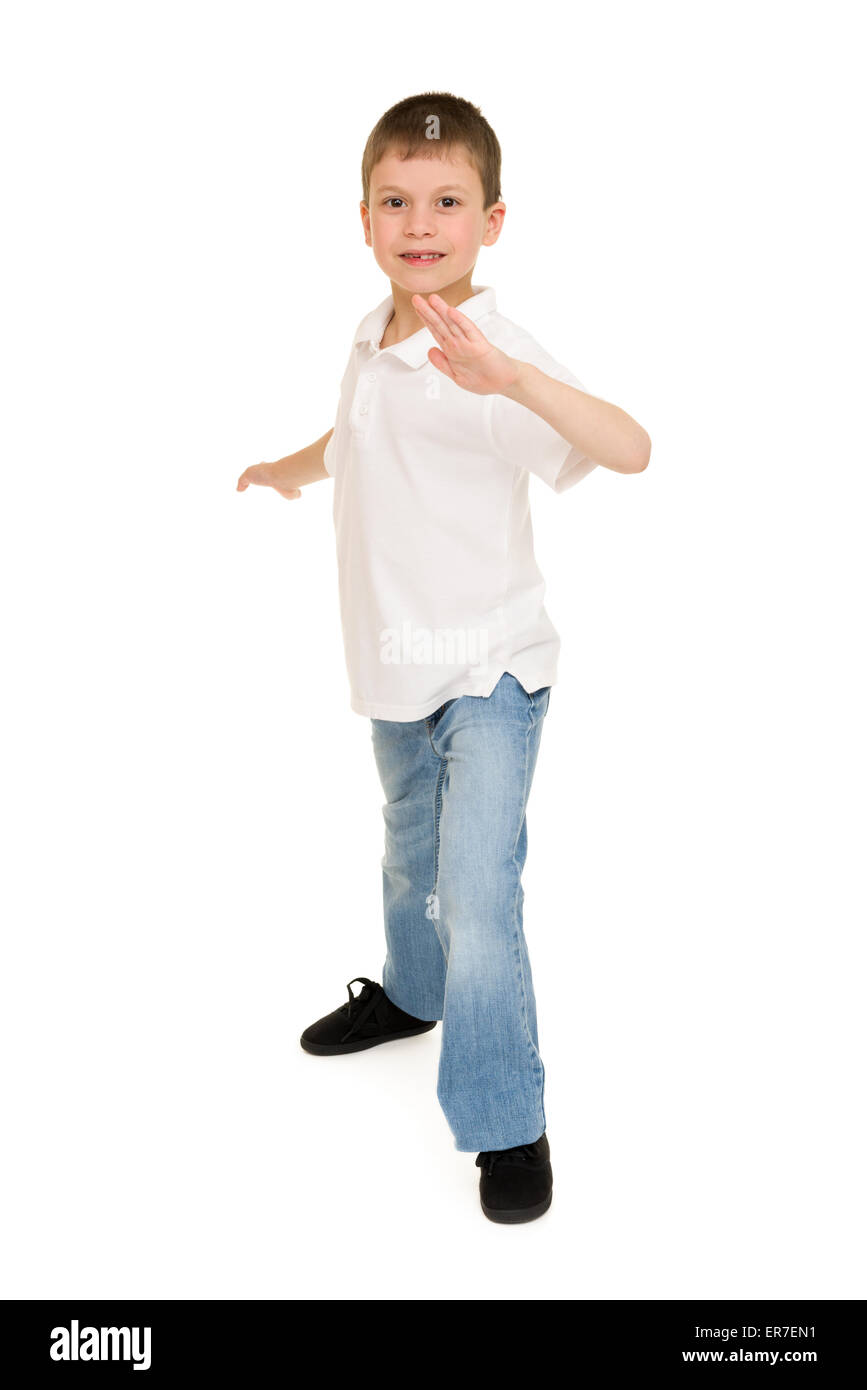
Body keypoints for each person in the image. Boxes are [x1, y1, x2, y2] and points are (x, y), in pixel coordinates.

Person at [237, 92, 651, 1223]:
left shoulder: (493, 350)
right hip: (394, 664)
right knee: (409, 854)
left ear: (493, 219)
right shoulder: (370, 335)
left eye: (449, 202)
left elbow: (630, 447)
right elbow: (356, 439)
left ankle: (506, 1118)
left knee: (477, 888)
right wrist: (286, 466)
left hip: (491, 670)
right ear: (364, 217)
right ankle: (412, 996)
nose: (422, 222)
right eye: (397, 200)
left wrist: (513, 381)